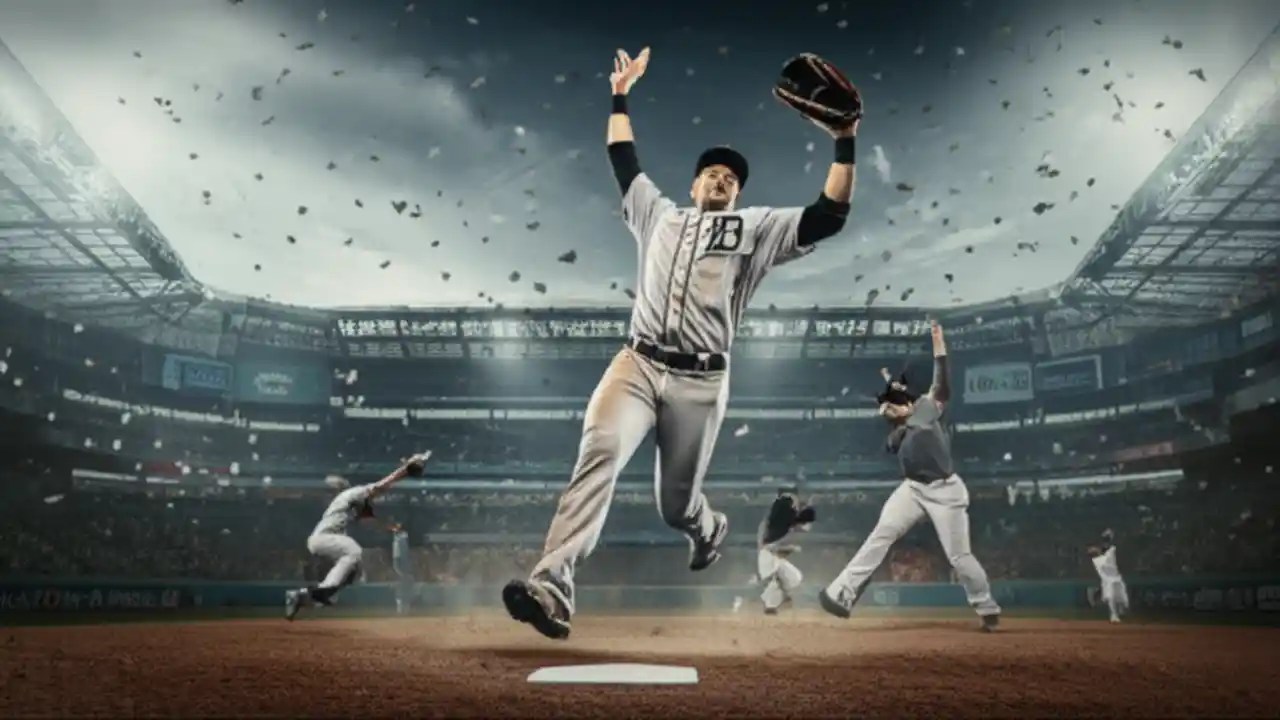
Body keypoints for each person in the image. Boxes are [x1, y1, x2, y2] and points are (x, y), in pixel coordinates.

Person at [502, 46, 858, 640]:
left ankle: (707, 528)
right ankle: (553, 584)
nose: (722, 178)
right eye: (713, 173)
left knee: (675, 507)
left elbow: (829, 215)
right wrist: (620, 93)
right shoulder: (658, 216)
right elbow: (622, 157)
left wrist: (844, 139)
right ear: (694, 184)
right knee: (600, 452)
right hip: (636, 365)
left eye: (732, 177)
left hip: (701, 381)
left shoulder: (756, 227)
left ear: (737, 194)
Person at [818, 321, 1002, 631]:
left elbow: (941, 385)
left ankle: (986, 607)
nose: (885, 409)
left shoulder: (926, 409)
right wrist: (892, 397)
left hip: (946, 491)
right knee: (881, 533)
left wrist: (939, 347)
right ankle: (841, 594)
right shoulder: (898, 432)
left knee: (959, 557)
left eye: (889, 404)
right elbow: (895, 429)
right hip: (914, 490)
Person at [285, 452, 431, 621]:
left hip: (326, 540)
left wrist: (390, 527)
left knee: (353, 572)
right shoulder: (354, 493)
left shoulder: (350, 504)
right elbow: (382, 486)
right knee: (353, 551)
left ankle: (302, 596)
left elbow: (369, 520)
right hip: (324, 537)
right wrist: (405, 470)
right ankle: (326, 590)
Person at [757, 492, 816, 614]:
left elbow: (803, 526)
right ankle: (770, 605)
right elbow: (772, 548)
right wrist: (791, 548)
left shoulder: (782, 524)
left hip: (773, 557)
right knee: (775, 581)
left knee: (794, 577)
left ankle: (779, 599)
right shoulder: (774, 526)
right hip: (768, 556)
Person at [1088, 528, 1128, 623]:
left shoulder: (1110, 551)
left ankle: (1120, 610)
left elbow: (1107, 548)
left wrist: (1108, 538)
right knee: (1111, 597)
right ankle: (1114, 615)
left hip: (1116, 578)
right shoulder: (1099, 559)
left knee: (1123, 600)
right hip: (1108, 580)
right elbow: (1096, 551)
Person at [389, 522, 414, 616]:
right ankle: (400, 609)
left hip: (405, 565)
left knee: (407, 587)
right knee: (400, 588)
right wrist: (398, 571)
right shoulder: (397, 541)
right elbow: (396, 559)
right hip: (400, 566)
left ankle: (406, 608)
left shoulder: (403, 539)